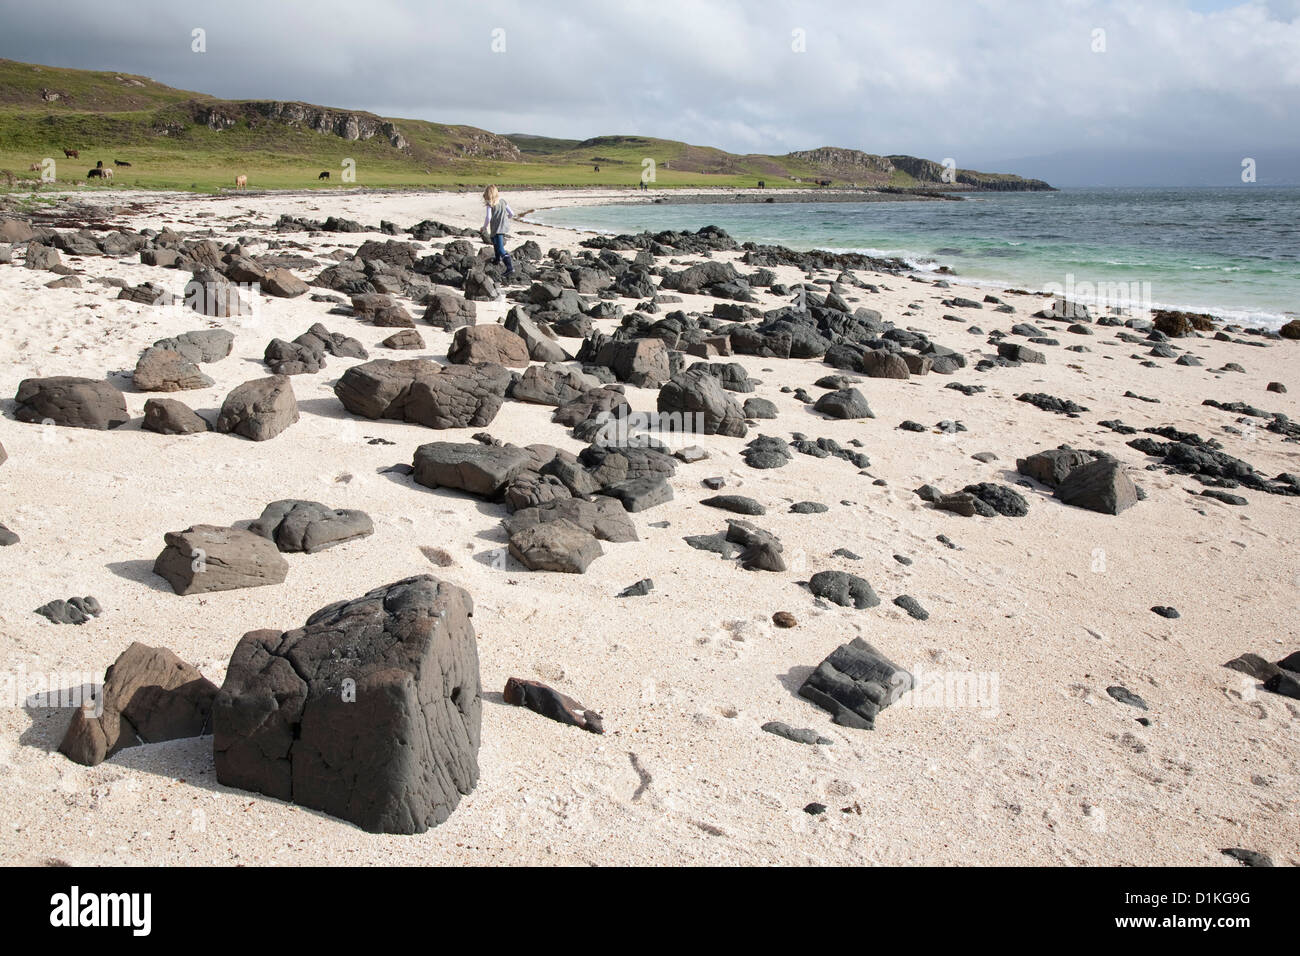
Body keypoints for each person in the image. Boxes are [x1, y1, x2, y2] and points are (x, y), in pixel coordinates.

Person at [481, 185, 515, 279]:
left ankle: (510, 267)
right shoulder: (503, 201)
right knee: (495, 243)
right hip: (503, 226)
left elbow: (488, 217)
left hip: (497, 228)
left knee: (500, 248)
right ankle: (496, 259)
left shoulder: (490, 205)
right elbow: (512, 214)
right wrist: (506, 218)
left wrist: (484, 227)